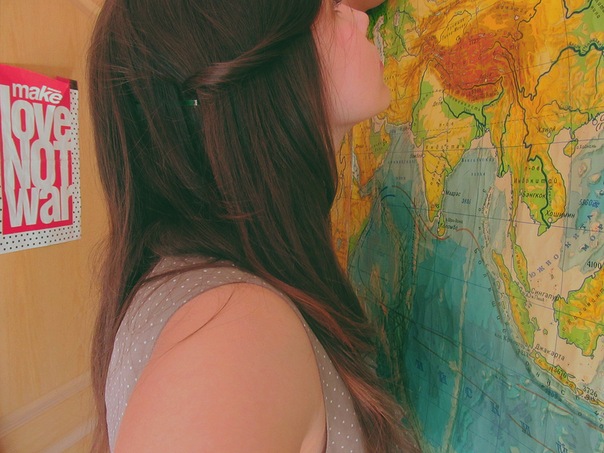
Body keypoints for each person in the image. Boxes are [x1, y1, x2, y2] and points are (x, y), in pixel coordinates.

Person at [88, 0, 420, 451]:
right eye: (330, 8)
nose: (358, 18)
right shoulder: (229, 338)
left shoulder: (202, 286)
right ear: (263, 72)